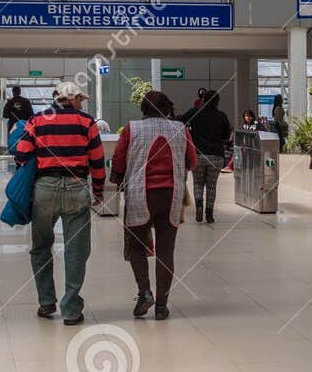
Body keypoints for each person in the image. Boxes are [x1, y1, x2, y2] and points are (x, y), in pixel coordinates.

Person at [14, 81, 105, 325]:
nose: (82, 104)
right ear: (73, 99)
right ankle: (71, 310)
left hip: (44, 189)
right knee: (76, 251)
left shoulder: (37, 120)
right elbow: (97, 161)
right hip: (76, 188)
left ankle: (46, 302)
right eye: (80, 99)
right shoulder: (87, 122)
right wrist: (98, 190)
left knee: (41, 247)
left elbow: (21, 154)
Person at [112, 90, 196, 320]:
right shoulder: (180, 129)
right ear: (168, 108)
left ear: (144, 108)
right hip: (171, 195)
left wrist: (117, 179)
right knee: (166, 250)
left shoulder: (131, 129)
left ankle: (144, 292)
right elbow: (192, 161)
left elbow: (118, 160)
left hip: (139, 195)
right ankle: (161, 305)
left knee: (136, 246)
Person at [181, 88, 232, 223]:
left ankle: (199, 205)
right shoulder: (221, 115)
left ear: (203, 100)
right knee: (211, 185)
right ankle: (209, 214)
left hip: (198, 154)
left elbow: (180, 121)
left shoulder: (194, 112)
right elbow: (227, 135)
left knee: (198, 183)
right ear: (217, 101)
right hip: (216, 155)